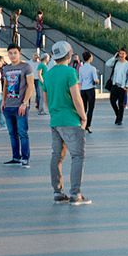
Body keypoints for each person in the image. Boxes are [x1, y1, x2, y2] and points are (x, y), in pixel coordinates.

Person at [44, 39, 90, 206]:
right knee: (77, 156)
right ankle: (75, 194)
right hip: (70, 120)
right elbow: (76, 98)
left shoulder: (48, 74)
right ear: (69, 55)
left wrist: (54, 112)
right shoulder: (70, 72)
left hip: (55, 120)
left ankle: (57, 192)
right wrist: (83, 117)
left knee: (57, 156)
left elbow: (45, 99)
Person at [0, 43, 34, 165]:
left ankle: (25, 157)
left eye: (15, 53)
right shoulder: (6, 68)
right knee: (12, 134)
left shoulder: (26, 67)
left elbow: (30, 86)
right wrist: (3, 101)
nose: (13, 55)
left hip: (20, 106)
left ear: (19, 54)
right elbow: (5, 86)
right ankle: (16, 157)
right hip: (8, 106)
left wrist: (24, 103)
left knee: (22, 133)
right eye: (10, 53)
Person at [107, 49, 128, 125]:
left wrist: (127, 86)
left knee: (121, 104)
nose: (121, 55)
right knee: (112, 101)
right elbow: (107, 64)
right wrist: (114, 57)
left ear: (126, 55)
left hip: (122, 87)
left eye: (123, 53)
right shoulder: (116, 62)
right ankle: (118, 115)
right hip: (114, 85)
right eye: (120, 53)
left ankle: (119, 120)